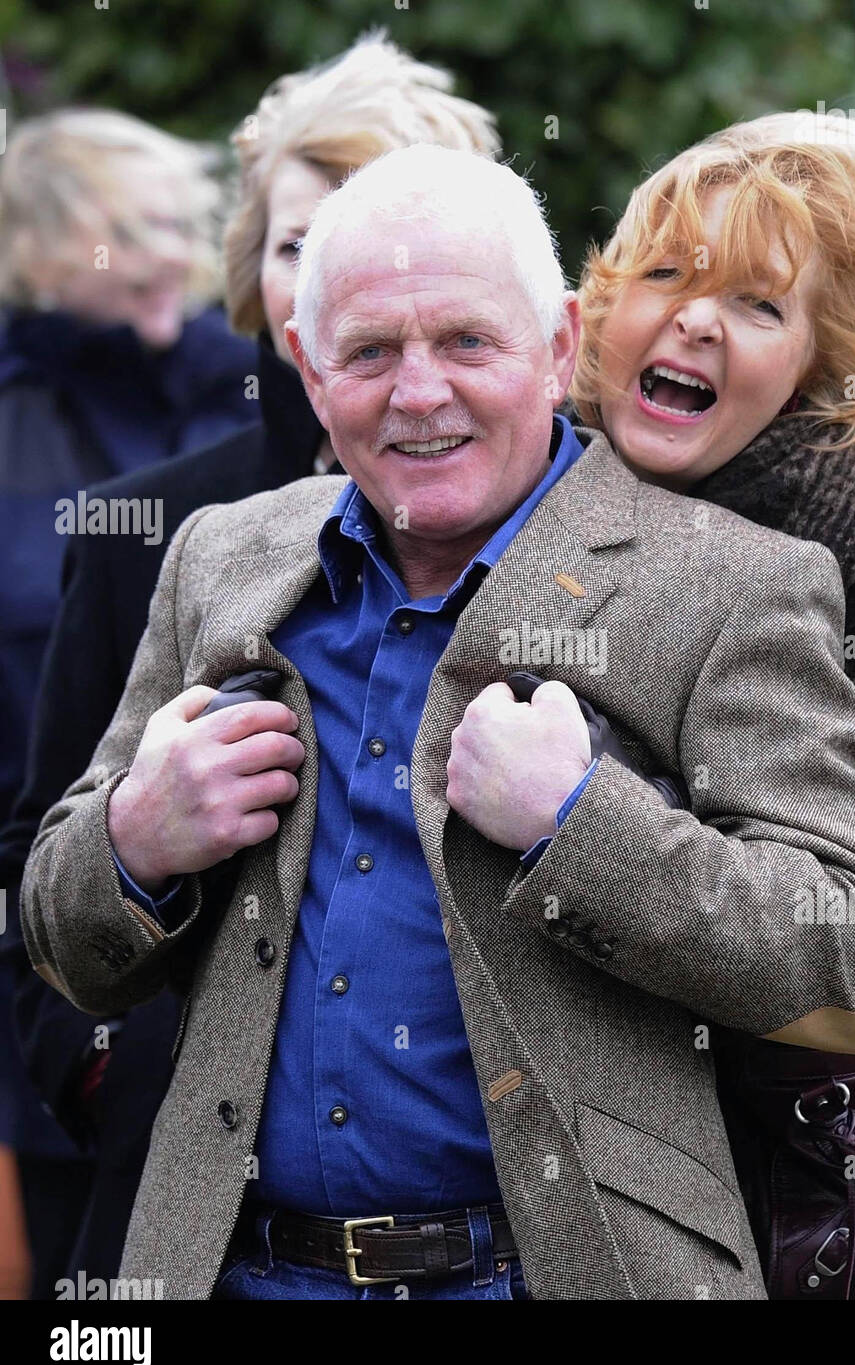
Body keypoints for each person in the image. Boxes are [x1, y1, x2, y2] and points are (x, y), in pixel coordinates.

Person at [21, 144, 855, 1301]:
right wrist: (135, 842)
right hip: (233, 1274)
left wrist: (580, 825)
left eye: (465, 342)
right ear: (304, 362)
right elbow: (60, 936)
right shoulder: (222, 559)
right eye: (370, 352)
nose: (418, 393)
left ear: (556, 345)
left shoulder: (729, 587)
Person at [0, 33, 499, 1297]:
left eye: (394, 223)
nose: (346, 270)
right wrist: (115, 1067)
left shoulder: (570, 518)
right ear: (258, 276)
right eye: (301, 240)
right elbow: (37, 865)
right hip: (182, 1222)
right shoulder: (147, 533)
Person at [571, 111, 855, 947]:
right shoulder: (524, 477)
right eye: (665, 273)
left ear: (814, 363)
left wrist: (589, 819)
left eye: (759, 304)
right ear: (601, 307)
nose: (698, 321)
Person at [0, 104, 258, 1300]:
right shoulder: (14, 425)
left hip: (237, 961)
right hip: (43, 955)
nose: (167, 250)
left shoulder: (261, 409)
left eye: (179, 223)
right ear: (43, 245)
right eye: (130, 227)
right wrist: (65, 1046)